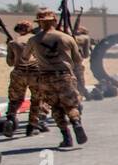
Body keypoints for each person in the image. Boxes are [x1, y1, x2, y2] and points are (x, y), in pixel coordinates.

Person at [26, 8, 86, 148]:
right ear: (54, 20)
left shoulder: (33, 40)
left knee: (56, 107)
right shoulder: (66, 38)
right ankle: (76, 122)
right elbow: (78, 60)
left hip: (46, 78)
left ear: (39, 23)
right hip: (65, 76)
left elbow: (24, 57)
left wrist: (40, 57)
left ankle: (66, 137)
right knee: (71, 104)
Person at [3, 20, 42, 138]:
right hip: (35, 72)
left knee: (15, 100)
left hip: (18, 72)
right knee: (36, 99)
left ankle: (10, 118)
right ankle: (32, 126)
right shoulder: (37, 39)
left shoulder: (13, 42)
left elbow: (10, 62)